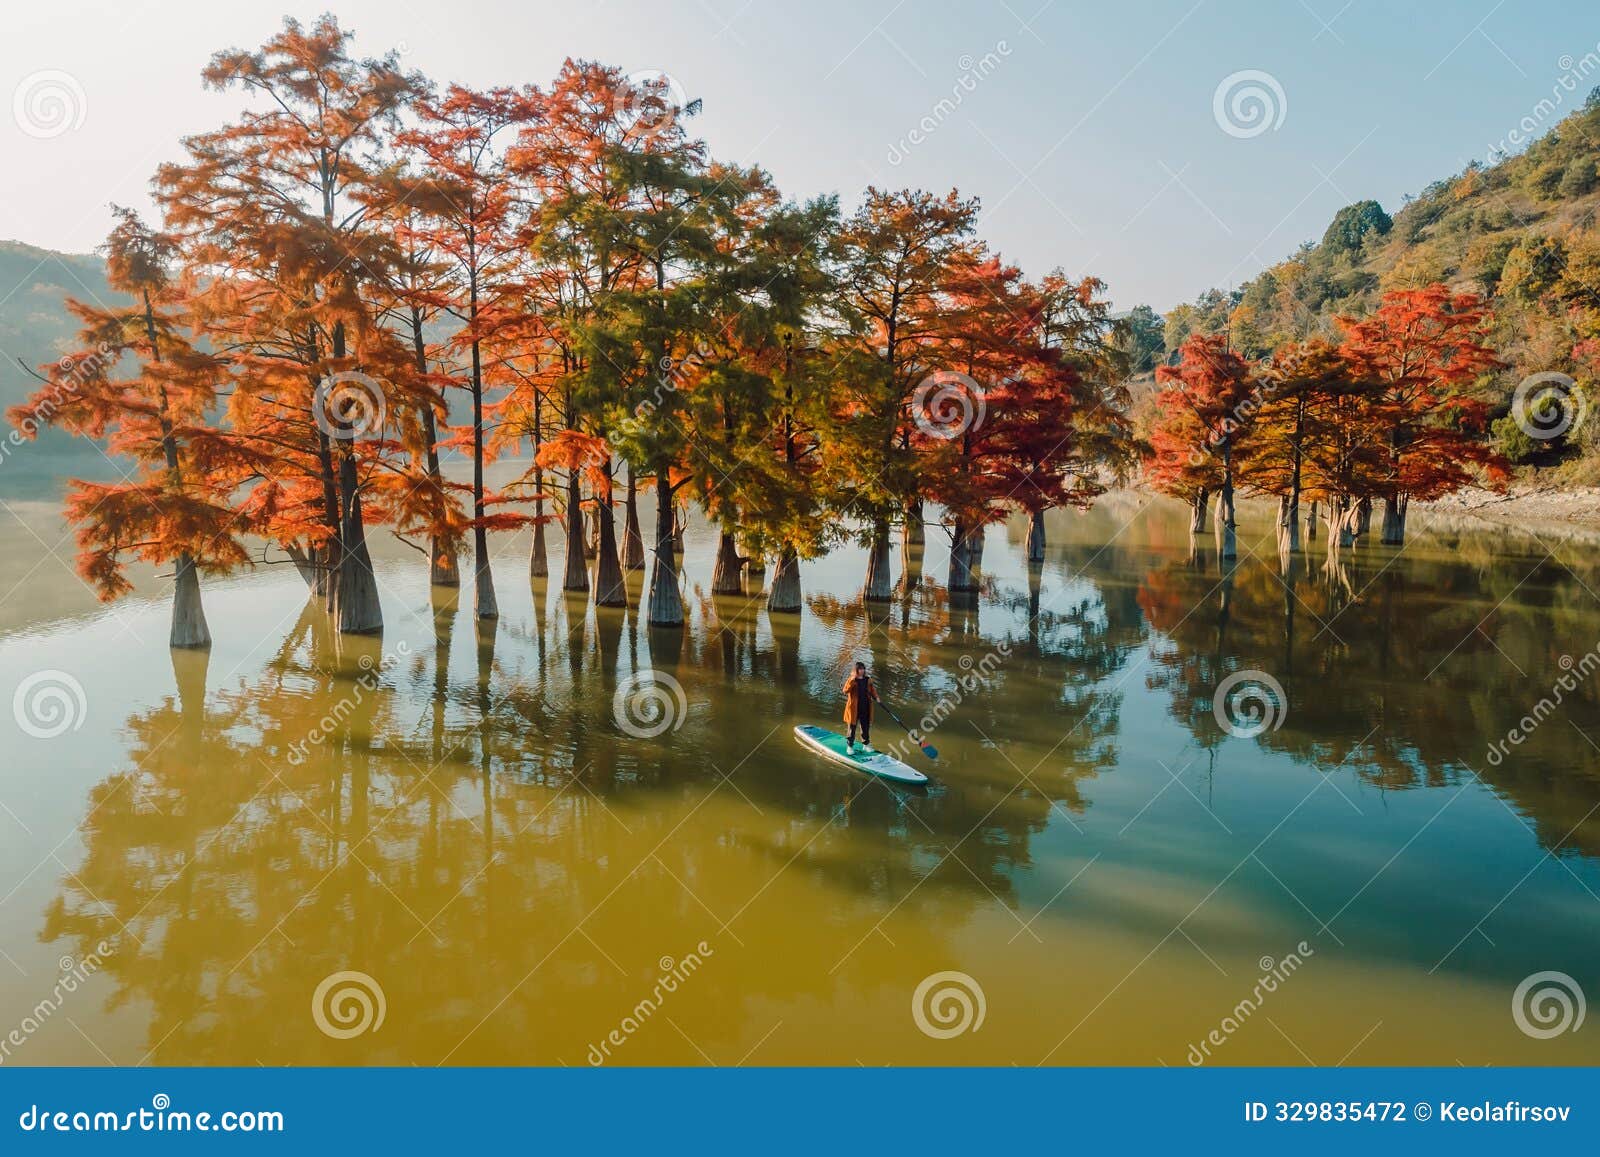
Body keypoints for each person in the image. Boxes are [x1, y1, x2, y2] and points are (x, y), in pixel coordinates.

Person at [841, 661, 880, 754]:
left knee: (865, 727)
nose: (862, 671)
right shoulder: (852, 680)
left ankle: (866, 745)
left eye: (863, 669)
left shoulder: (868, 679)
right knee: (852, 728)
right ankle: (850, 746)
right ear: (856, 670)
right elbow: (845, 691)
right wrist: (852, 680)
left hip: (865, 707)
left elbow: (873, 691)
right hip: (853, 709)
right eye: (860, 669)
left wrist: (877, 698)